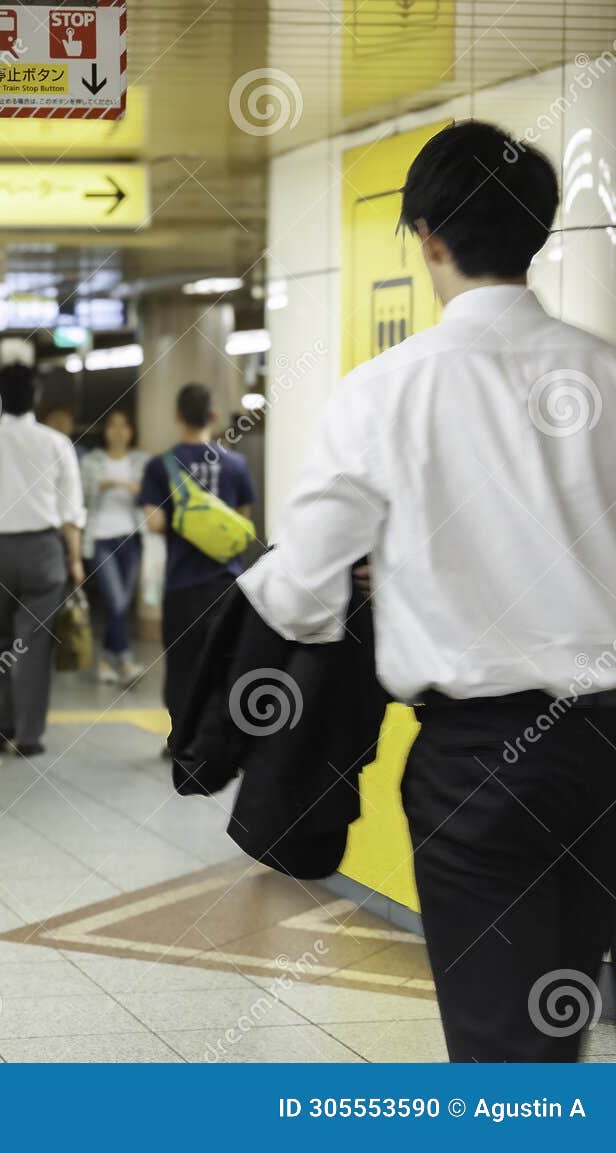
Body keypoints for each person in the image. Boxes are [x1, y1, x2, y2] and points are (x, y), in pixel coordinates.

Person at [239, 121, 616, 1062]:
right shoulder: (607, 375)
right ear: (538, 231)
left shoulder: (384, 392)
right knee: (568, 1008)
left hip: (480, 760)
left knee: (502, 1040)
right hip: (607, 750)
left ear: (427, 238)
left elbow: (298, 596)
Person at [0, 363, 85, 755]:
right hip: (44, 550)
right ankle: (29, 736)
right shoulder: (56, 443)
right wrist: (75, 561)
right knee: (34, 642)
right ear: (36, 396)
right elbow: (70, 512)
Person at [138, 383, 255, 739]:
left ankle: (181, 738)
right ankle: (217, 736)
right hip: (227, 582)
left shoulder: (161, 466)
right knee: (222, 660)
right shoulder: (235, 464)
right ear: (214, 416)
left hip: (181, 583)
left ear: (177, 416)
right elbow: (242, 523)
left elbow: (155, 522)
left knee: (181, 664)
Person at [81, 409, 149, 683]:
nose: (119, 431)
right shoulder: (91, 461)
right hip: (100, 537)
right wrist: (101, 486)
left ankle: (107, 660)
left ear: (131, 431)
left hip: (132, 538)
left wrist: (135, 490)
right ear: (104, 430)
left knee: (121, 602)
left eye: (124, 426)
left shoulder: (142, 461)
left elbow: (151, 496)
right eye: (112, 426)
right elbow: (82, 495)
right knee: (116, 599)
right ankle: (125, 659)